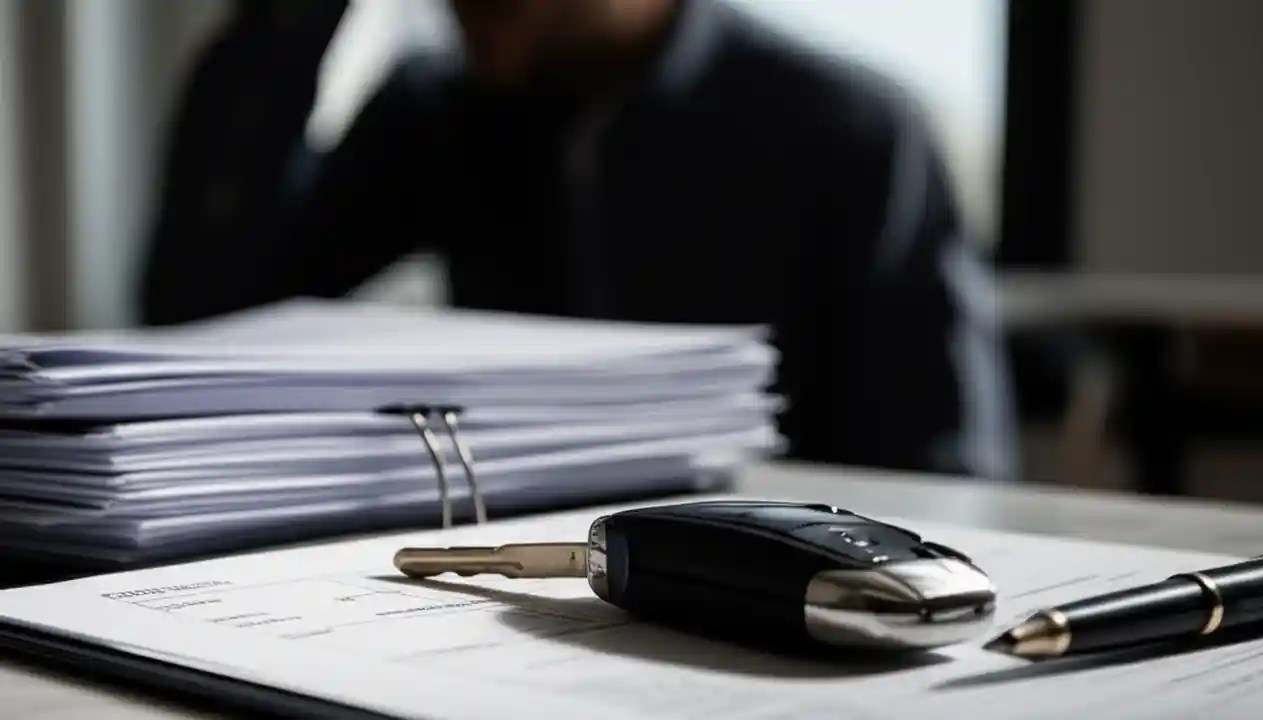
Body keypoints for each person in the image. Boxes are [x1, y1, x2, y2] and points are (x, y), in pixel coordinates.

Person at [141, 0, 1012, 479]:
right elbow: (203, 318)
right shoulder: (440, 114)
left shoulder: (851, 130)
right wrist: (282, 24)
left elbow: (948, 471)